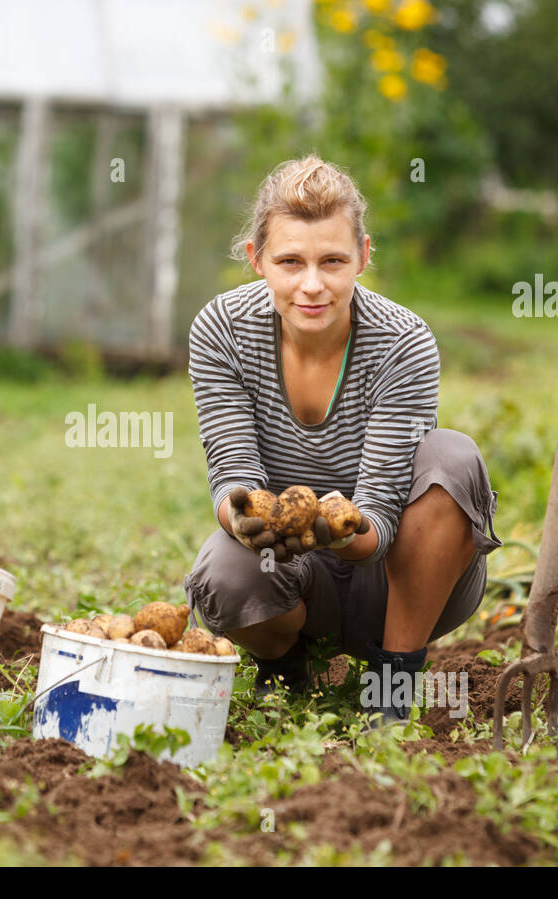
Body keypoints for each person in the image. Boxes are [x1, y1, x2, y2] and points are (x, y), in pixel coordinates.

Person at [182, 154, 503, 726]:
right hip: (289, 571)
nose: (312, 285)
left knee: (451, 455)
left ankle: (392, 686)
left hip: (394, 582)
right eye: (290, 262)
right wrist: (247, 520)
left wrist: (343, 528)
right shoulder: (222, 330)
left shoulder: (403, 344)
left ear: (363, 256)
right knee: (223, 574)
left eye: (332, 260)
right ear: (257, 261)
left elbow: (379, 527)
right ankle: (287, 666)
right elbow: (232, 474)